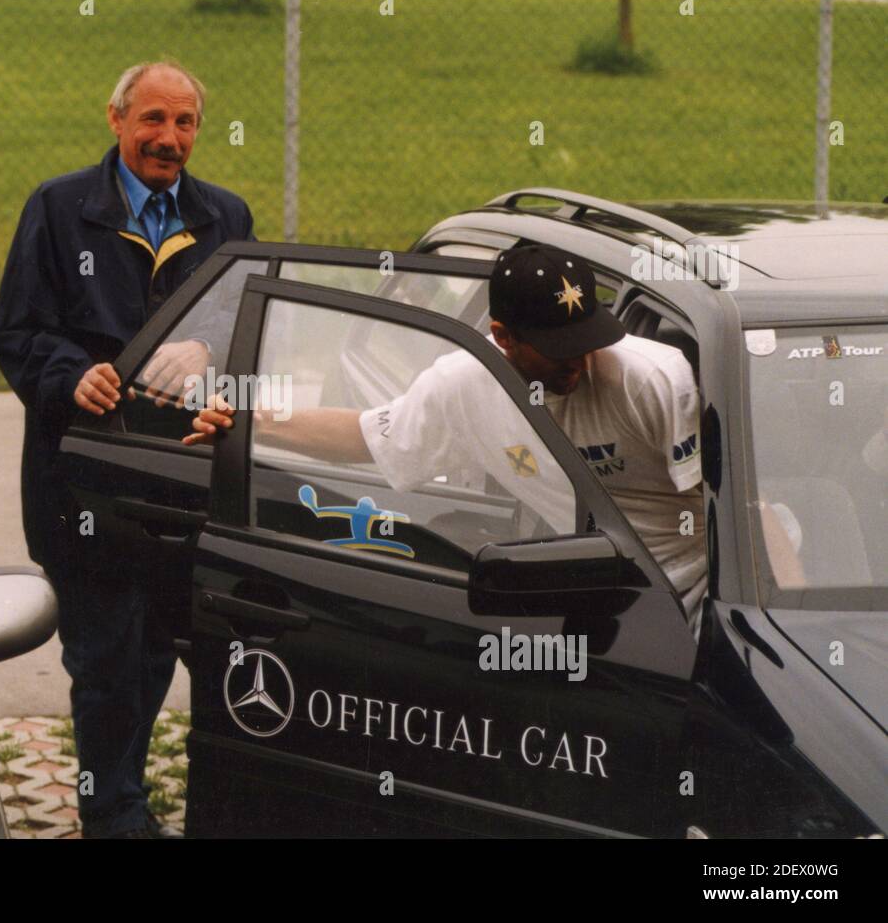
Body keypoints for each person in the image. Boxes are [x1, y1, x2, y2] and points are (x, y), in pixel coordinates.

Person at [185, 243, 710, 634]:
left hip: (708, 596)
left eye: (586, 339)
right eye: (557, 347)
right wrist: (247, 422)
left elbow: (735, 503)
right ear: (503, 337)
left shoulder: (653, 377)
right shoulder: (462, 386)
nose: (577, 359)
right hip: (609, 599)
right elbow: (366, 436)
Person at [0, 60, 255, 838]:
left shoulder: (225, 218)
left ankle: (169, 799)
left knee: (169, 658)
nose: (168, 140)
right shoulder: (59, 207)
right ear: (115, 120)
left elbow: (250, 329)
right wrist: (73, 376)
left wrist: (211, 354)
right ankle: (112, 814)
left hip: (186, 495)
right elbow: (17, 333)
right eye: (152, 121)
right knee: (105, 663)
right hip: (85, 493)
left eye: (184, 123)